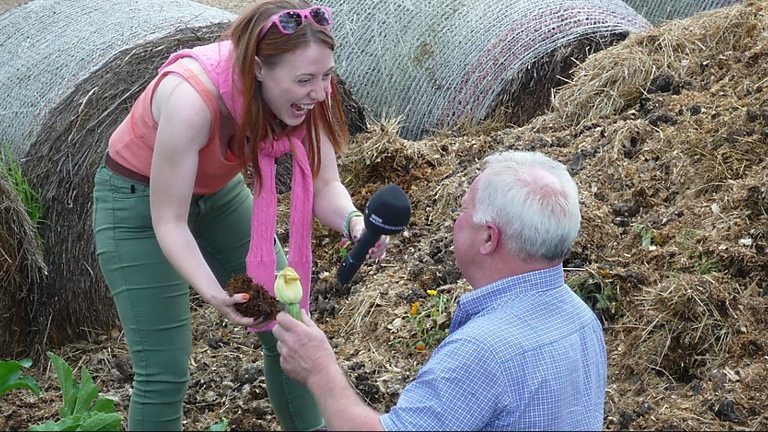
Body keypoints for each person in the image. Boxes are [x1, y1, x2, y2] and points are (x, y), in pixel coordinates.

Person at [91, 1, 387, 430]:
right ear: (259, 69)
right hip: (137, 203)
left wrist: (355, 224)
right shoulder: (192, 99)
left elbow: (325, 186)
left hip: (218, 192)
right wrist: (213, 293)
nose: (319, 91)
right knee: (165, 371)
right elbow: (169, 221)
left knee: (288, 325)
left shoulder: (313, 90)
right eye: (305, 80)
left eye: (325, 76)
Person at [273, 150, 608, 430]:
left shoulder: (483, 352)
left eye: (463, 209)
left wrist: (319, 369)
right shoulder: (582, 320)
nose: (455, 221)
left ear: (489, 238)